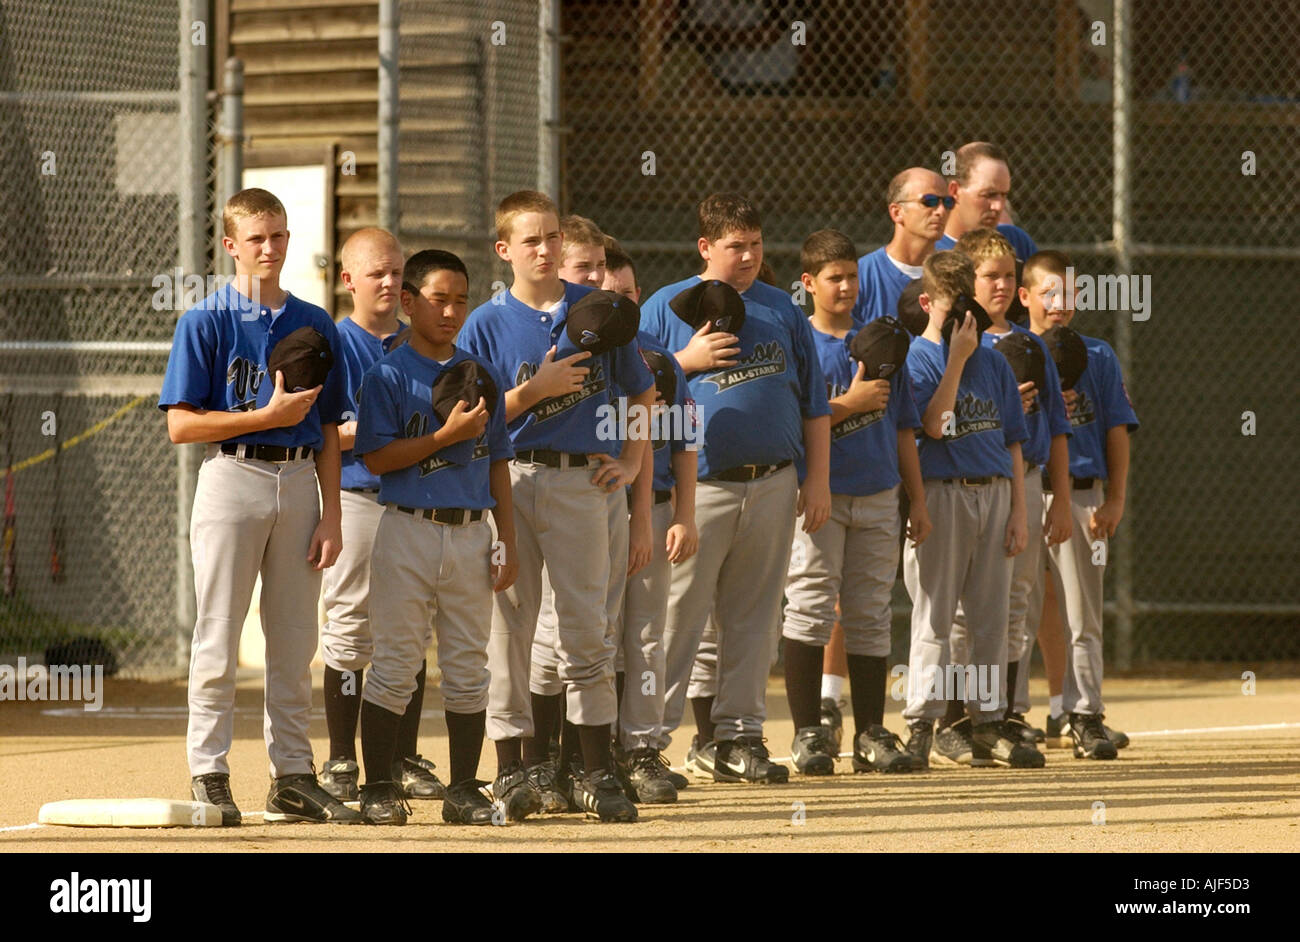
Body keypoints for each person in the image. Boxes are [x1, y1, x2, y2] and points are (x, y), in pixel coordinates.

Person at [160, 187, 360, 825]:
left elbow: (329, 428)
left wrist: (333, 513)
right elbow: (181, 427)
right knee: (218, 631)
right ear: (230, 246)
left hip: (301, 483)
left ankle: (292, 774)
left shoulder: (314, 321)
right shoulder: (205, 320)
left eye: (277, 235)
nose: (269, 248)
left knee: (297, 636)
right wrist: (263, 415)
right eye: (256, 238)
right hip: (234, 476)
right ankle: (210, 770)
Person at [457, 190, 655, 822]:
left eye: (550, 238)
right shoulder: (486, 323)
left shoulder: (594, 310)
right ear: (505, 250)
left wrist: (629, 460)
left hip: (580, 484)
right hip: (510, 478)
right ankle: (516, 767)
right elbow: (469, 419)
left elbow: (644, 391)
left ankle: (596, 768)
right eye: (530, 240)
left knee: (585, 628)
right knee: (511, 629)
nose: (543, 249)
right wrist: (532, 390)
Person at [639, 192, 831, 784]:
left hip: (772, 480)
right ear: (705, 247)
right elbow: (636, 389)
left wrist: (816, 478)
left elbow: (814, 403)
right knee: (680, 619)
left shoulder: (781, 308)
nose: (747, 255)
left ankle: (740, 736)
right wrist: (685, 360)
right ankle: (645, 742)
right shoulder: (666, 306)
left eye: (755, 244)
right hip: (699, 489)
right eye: (733, 246)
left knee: (754, 618)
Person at [353, 249, 517, 825]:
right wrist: (445, 435)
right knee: (397, 663)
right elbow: (375, 457)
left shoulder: (480, 373)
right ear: (408, 301)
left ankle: (465, 788)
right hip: (407, 529)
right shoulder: (389, 373)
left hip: (472, 533)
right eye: (437, 299)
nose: (450, 311)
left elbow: (498, 459)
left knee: (469, 665)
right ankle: (377, 786)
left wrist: (509, 540)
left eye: (460, 300)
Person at [782, 229, 931, 776]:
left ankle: (871, 731)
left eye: (851, 276)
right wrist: (850, 402)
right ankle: (808, 734)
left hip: (878, 493)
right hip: (820, 496)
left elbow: (904, 430)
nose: (845, 286)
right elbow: (797, 423)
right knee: (811, 605)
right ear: (809, 284)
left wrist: (916, 500)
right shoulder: (801, 344)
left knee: (869, 613)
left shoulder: (884, 341)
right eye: (832, 278)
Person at [317, 230, 446, 805]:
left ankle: (401, 754)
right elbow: (318, 433)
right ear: (349, 280)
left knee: (409, 634)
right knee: (349, 630)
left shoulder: (418, 342)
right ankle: (342, 756)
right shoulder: (332, 342)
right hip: (356, 497)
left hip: (411, 499)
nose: (391, 284)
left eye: (398, 273)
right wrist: (365, 435)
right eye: (377, 274)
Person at [900, 250, 1036, 770]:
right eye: (949, 304)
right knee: (934, 617)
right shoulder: (920, 358)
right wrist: (956, 357)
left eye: (966, 306)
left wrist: (1020, 513)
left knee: (990, 619)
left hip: (996, 493)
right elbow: (933, 426)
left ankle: (987, 724)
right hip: (943, 491)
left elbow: (1014, 442)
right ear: (927, 301)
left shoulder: (994, 360)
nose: (961, 317)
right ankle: (920, 723)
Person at [1021, 250, 1139, 759]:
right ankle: (1003, 715)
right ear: (1025, 296)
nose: (1059, 304)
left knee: (1082, 614)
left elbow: (1117, 429)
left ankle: (1086, 715)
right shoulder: (1007, 351)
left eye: (1068, 294)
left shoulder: (1099, 354)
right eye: (1049, 293)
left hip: (1085, 495)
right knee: (1011, 612)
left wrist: (1114, 498)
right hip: (1023, 488)